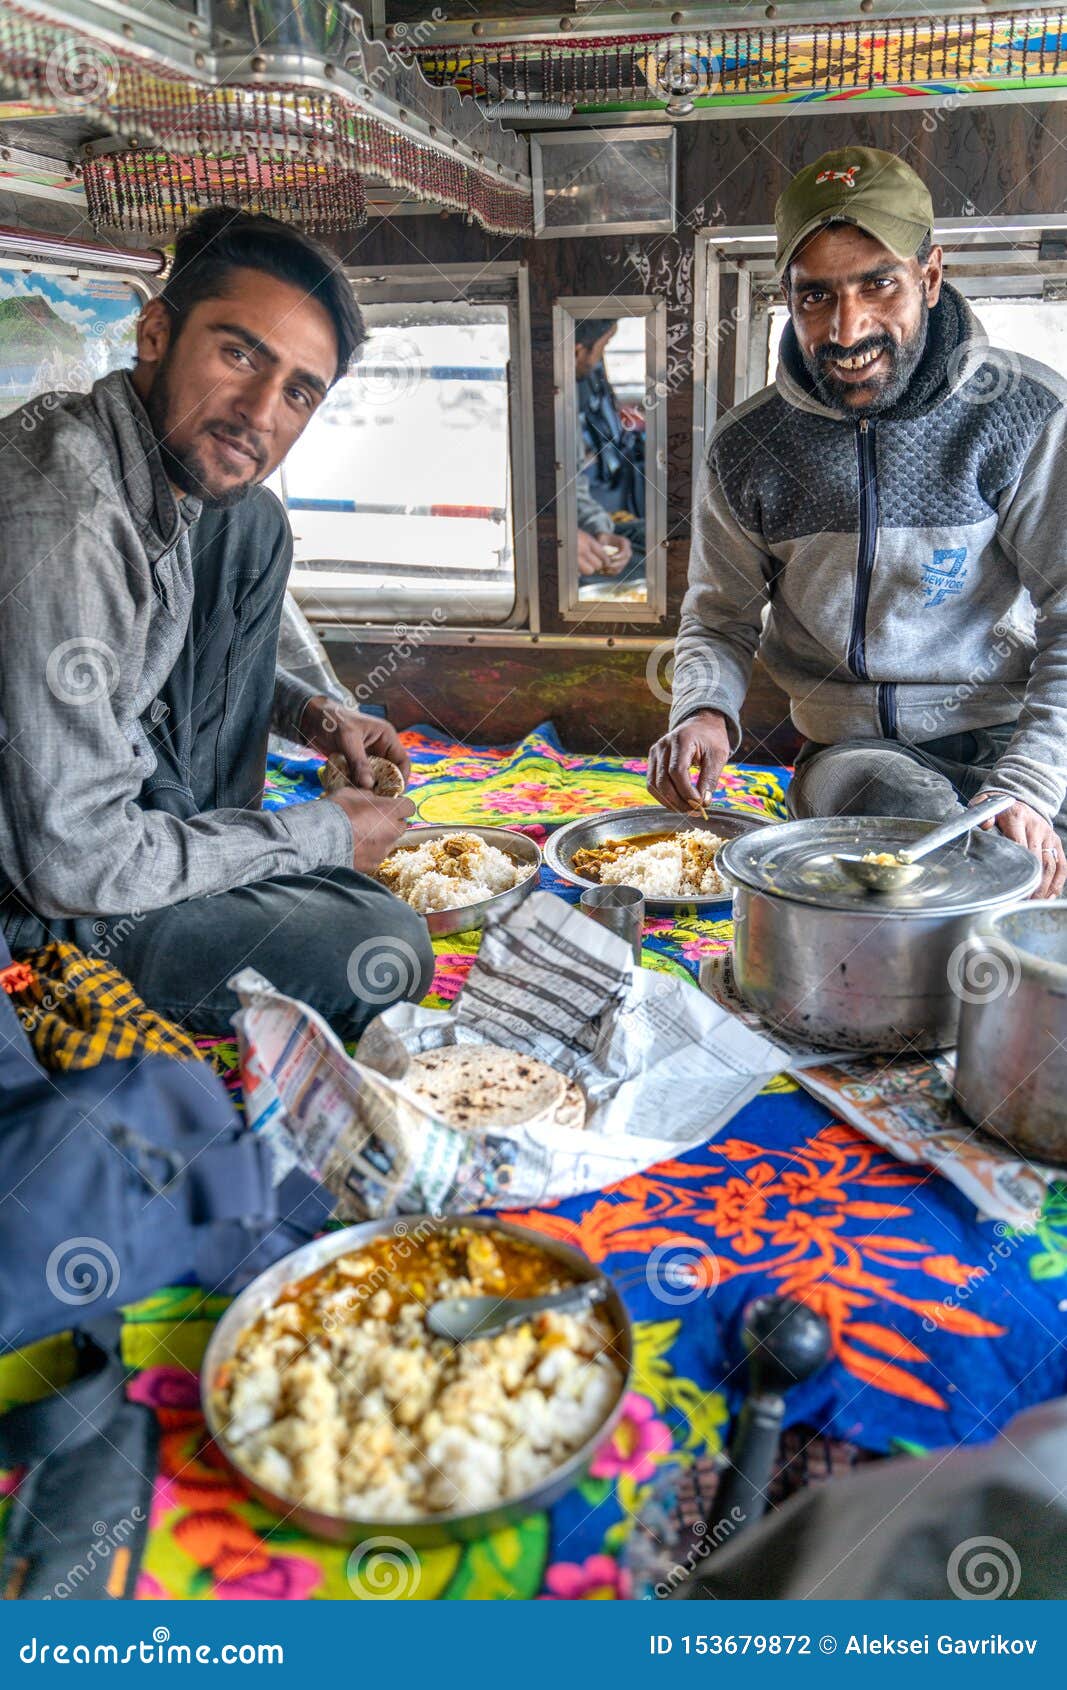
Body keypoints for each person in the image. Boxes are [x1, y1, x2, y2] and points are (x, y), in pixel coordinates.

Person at [0, 206, 435, 1037]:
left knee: (250, 520)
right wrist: (317, 836)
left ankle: (213, 858)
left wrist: (310, 711)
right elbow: (74, 863)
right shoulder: (67, 518)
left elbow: (139, 658)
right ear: (156, 332)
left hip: (132, 790)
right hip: (38, 897)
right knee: (378, 942)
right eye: (239, 355)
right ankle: (202, 884)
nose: (259, 411)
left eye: (299, 392)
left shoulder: (155, 463)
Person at [648, 147, 1067, 898]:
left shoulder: (1022, 413)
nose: (846, 331)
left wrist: (1030, 784)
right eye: (814, 297)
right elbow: (718, 618)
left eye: (877, 285)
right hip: (856, 753)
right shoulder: (748, 447)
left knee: (1036, 872)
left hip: (1015, 726)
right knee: (912, 848)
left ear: (929, 277)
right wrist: (705, 710)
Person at [573, 318, 634, 582]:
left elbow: (570, 486)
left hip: (572, 530)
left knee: (649, 537)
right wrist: (561, 535)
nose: (600, 358)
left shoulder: (568, 401)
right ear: (577, 351)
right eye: (603, 346)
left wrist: (598, 529)